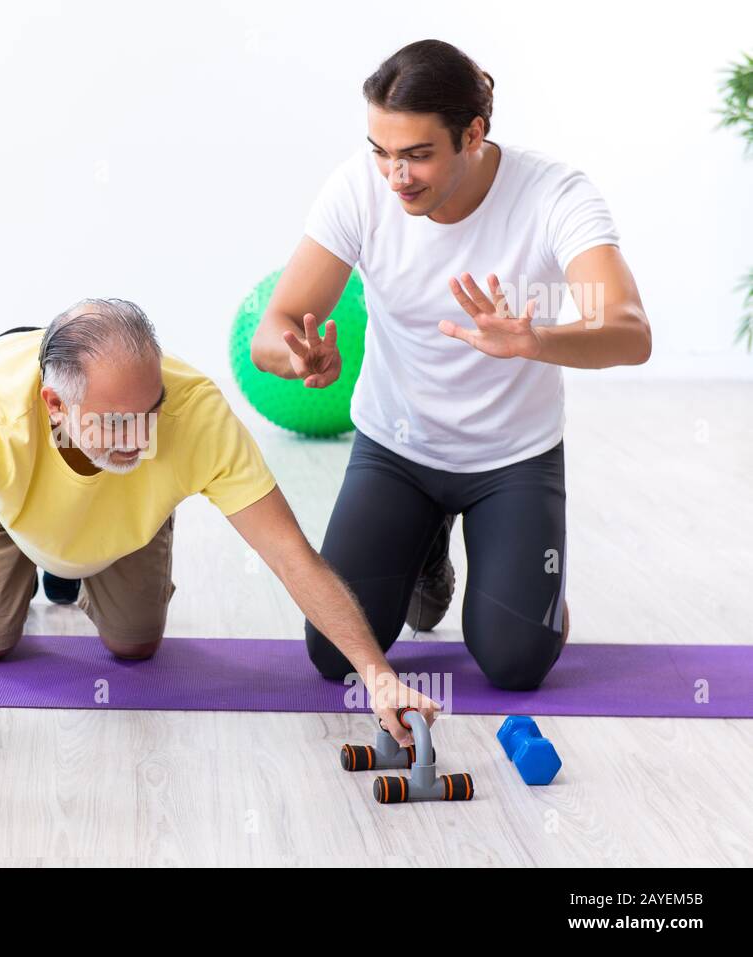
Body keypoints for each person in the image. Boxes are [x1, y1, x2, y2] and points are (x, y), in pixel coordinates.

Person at [0, 299, 438, 767]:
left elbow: (292, 556)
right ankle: (37, 559)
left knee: (136, 645)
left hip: (122, 512)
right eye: (115, 423)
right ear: (56, 407)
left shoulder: (193, 412)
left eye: (150, 412)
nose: (140, 438)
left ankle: (77, 561)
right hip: (9, 504)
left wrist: (375, 673)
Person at [251, 39, 652, 691]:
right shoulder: (359, 187)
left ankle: (523, 585)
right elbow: (271, 330)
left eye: (417, 155)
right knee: (333, 655)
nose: (395, 177)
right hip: (396, 450)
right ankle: (425, 549)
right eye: (381, 152)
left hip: (513, 459)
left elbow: (631, 334)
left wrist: (537, 341)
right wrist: (296, 356)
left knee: (516, 662)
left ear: (473, 134)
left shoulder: (554, 194)